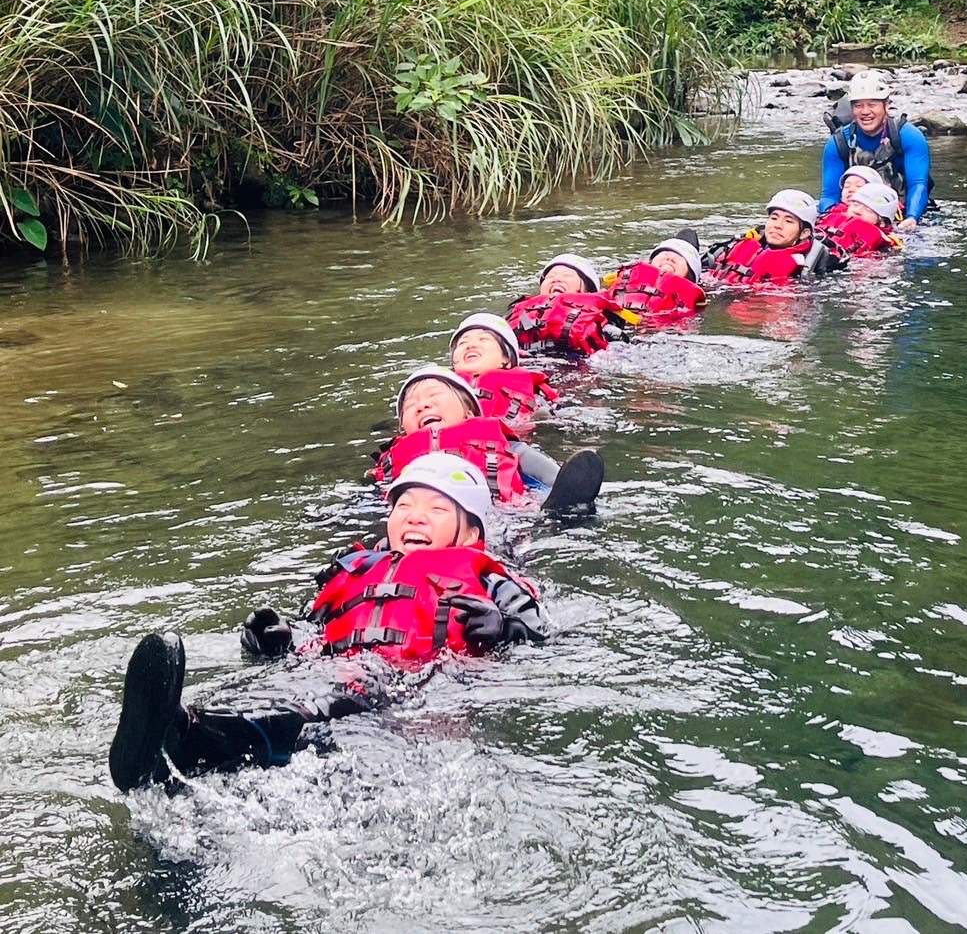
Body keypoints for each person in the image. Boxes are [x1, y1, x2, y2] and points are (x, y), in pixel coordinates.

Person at [108, 454, 544, 793]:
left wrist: (503, 629)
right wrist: (272, 636)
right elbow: (310, 628)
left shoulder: (486, 576)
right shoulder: (355, 568)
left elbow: (537, 633)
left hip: (408, 681)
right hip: (326, 666)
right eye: (404, 504)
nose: (414, 515)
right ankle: (174, 729)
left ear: (470, 534)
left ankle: (189, 741)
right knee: (269, 690)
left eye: (436, 509)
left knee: (315, 704)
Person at [374, 364, 603, 514]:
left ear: (470, 412)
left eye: (434, 396)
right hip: (425, 526)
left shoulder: (503, 444)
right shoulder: (391, 461)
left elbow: (549, 476)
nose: (422, 405)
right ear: (403, 427)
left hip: (503, 513)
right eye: (411, 405)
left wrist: (562, 489)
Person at [819, 71, 931, 230]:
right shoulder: (838, 142)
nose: (865, 112)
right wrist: (834, 219)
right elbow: (829, 195)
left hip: (903, 215)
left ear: (887, 105)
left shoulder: (909, 136)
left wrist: (912, 217)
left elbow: (918, 184)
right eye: (858, 105)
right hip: (853, 215)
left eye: (872, 104)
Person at [506, 253, 637, 357]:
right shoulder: (517, 316)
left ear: (587, 291)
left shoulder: (602, 327)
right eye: (550, 276)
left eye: (567, 275)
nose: (556, 279)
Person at [706, 190, 843, 287]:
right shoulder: (743, 245)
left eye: (788, 221)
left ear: (804, 233)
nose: (777, 225)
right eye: (774, 218)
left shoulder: (803, 270)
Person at [450, 311, 560, 427]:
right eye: (463, 342)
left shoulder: (537, 398)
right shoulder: (437, 389)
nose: (470, 345)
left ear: (507, 359)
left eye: (483, 339)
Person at [603, 231, 706, 320]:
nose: (670, 257)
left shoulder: (689, 306)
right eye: (665, 252)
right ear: (651, 262)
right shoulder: (624, 280)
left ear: (690, 275)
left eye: (680, 256)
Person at [823, 182, 903, 257]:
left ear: (882, 222)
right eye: (855, 205)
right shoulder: (834, 218)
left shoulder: (884, 249)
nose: (857, 211)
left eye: (868, 210)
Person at [817, 165, 890, 234]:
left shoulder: (882, 222)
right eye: (846, 186)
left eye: (859, 186)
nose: (851, 189)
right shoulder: (830, 213)